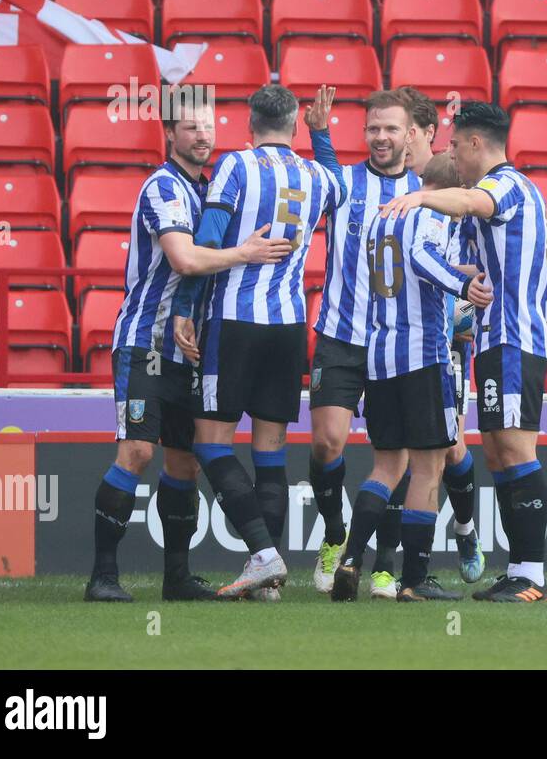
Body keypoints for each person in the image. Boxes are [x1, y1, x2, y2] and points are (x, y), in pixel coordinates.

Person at [85, 93, 292, 602]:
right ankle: (103, 576)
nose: (203, 135)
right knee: (136, 451)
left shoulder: (212, 188)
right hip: (147, 342)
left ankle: (175, 578)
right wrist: (245, 253)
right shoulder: (165, 187)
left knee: (184, 464)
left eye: (209, 125)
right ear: (170, 134)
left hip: (191, 350)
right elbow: (182, 259)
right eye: (191, 127)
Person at [172, 84, 344, 599]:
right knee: (269, 448)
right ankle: (266, 576)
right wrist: (323, 132)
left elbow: (208, 239)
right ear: (294, 125)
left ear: (250, 125)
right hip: (290, 324)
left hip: (234, 317)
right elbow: (340, 186)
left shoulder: (235, 166)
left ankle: (264, 554)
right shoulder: (317, 175)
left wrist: (184, 309)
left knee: (211, 442)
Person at [383, 101, 547, 602]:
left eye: (456, 144)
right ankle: (518, 570)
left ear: (476, 143)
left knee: (517, 452)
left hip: (517, 337)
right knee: (499, 456)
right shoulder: (490, 189)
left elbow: (474, 205)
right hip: (495, 338)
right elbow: (478, 265)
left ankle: (532, 577)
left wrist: (421, 199)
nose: (452, 153)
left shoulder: (505, 184)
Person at [331, 153, 493, 601]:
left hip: (380, 355)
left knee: (386, 466)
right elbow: (422, 257)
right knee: (428, 468)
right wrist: (464, 288)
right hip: (423, 355)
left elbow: (400, 267)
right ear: (455, 187)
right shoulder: (431, 213)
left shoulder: (383, 217)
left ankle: (350, 558)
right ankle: (415, 580)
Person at [365, 91, 485, 595]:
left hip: (447, 339)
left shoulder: (465, 191)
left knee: (448, 451)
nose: (399, 139)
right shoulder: (410, 192)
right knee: (421, 456)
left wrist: (466, 289)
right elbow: (420, 257)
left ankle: (464, 529)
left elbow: (477, 264)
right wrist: (460, 283)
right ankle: (396, 569)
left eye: (410, 130)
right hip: (414, 339)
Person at [304, 86, 422, 595]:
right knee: (328, 442)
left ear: (409, 134)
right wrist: (317, 131)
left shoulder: (424, 190)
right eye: (373, 128)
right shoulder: (344, 182)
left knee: (392, 454)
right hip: (341, 336)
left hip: (398, 343)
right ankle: (334, 537)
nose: (380, 137)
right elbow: (316, 173)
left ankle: (384, 564)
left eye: (390, 128)